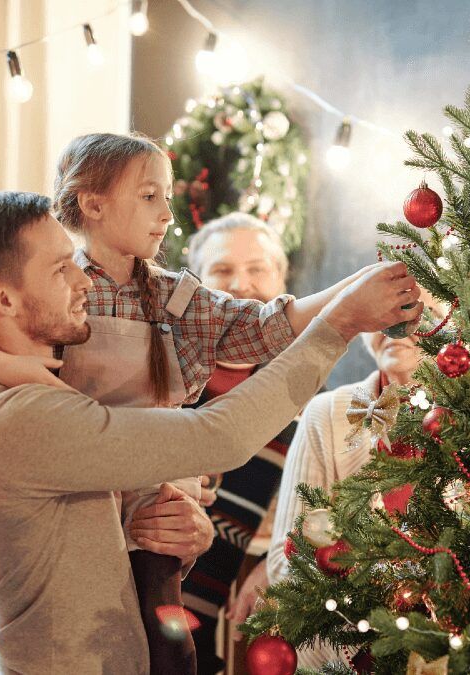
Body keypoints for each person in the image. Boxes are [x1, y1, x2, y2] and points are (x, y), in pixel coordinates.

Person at [0, 189, 420, 674]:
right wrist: (341, 323)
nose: (87, 282)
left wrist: (188, 536)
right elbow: (217, 437)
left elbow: (89, 543)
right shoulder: (19, 416)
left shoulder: (0, 384)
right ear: (6, 299)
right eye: (61, 268)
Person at [227, 292, 444, 670]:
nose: (400, 325)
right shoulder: (327, 413)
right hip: (343, 644)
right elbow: (283, 557)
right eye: (389, 311)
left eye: (421, 312)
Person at [178, 213, 307, 674]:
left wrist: (280, 559)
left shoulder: (303, 383)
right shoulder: (167, 375)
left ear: (281, 282)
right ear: (194, 281)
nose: (241, 285)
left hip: (264, 606)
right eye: (222, 270)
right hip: (164, 610)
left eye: (257, 269)